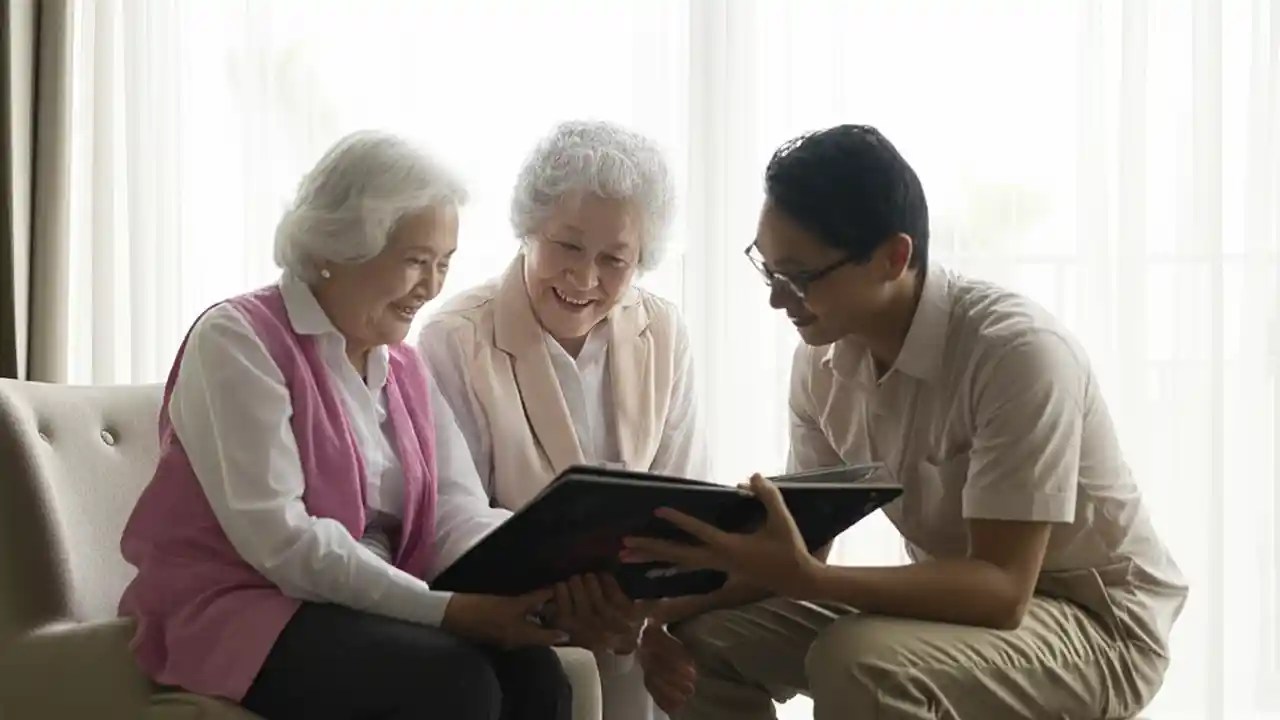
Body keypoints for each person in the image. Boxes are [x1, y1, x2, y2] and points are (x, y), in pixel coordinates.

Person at [625, 124, 1189, 720]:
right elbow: (799, 547)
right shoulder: (819, 362)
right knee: (712, 634)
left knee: (858, 660)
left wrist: (808, 576)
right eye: (768, 271)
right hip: (955, 609)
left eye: (799, 277)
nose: (776, 299)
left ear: (894, 257)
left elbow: (1002, 591)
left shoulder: (1015, 352)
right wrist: (663, 617)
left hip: (1097, 625)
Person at [118, 131, 576, 720]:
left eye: (444, 264)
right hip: (244, 605)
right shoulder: (238, 339)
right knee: (455, 685)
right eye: (415, 261)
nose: (432, 288)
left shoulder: (404, 364)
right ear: (339, 247)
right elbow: (282, 541)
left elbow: (455, 514)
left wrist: (542, 575)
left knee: (537, 677)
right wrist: (448, 610)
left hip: (366, 601)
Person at [419, 120, 708, 720]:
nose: (585, 279)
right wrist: (563, 600)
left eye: (615, 260)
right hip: (513, 610)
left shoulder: (664, 332)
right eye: (568, 247)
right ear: (530, 229)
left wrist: (652, 615)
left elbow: (689, 497)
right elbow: (454, 520)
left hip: (636, 611)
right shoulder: (455, 339)